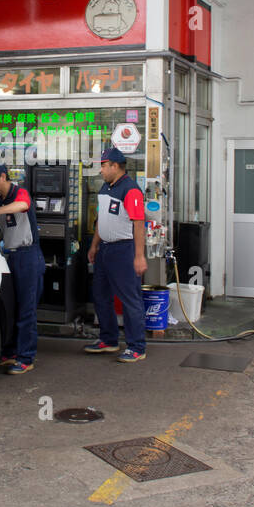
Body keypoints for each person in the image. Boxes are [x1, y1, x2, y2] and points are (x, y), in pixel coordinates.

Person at [84, 147, 147, 362]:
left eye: (103, 165)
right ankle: (109, 339)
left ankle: (137, 346)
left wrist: (139, 256)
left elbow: (139, 224)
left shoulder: (130, 190)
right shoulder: (104, 188)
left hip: (124, 249)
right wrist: (94, 246)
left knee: (130, 298)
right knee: (100, 295)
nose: (100, 169)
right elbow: (102, 220)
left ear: (115, 166)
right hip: (105, 249)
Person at [0, 163, 44, 375]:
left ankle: (26, 357)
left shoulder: (20, 193)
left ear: (2, 176)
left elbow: (23, 206)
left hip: (28, 255)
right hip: (10, 255)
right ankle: (10, 352)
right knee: (12, 306)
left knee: (27, 308)